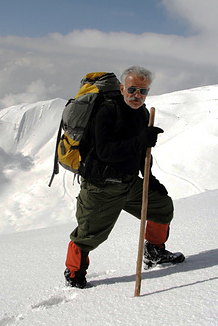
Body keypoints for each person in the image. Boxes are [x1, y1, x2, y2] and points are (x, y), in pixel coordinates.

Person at [64, 66, 185, 289]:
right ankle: (74, 273)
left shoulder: (142, 114)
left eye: (143, 91)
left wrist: (150, 178)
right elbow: (105, 152)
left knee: (162, 207)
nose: (137, 95)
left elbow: (141, 154)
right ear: (122, 88)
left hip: (129, 183)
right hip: (101, 187)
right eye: (132, 89)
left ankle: (154, 252)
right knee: (88, 235)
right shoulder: (106, 112)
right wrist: (141, 140)